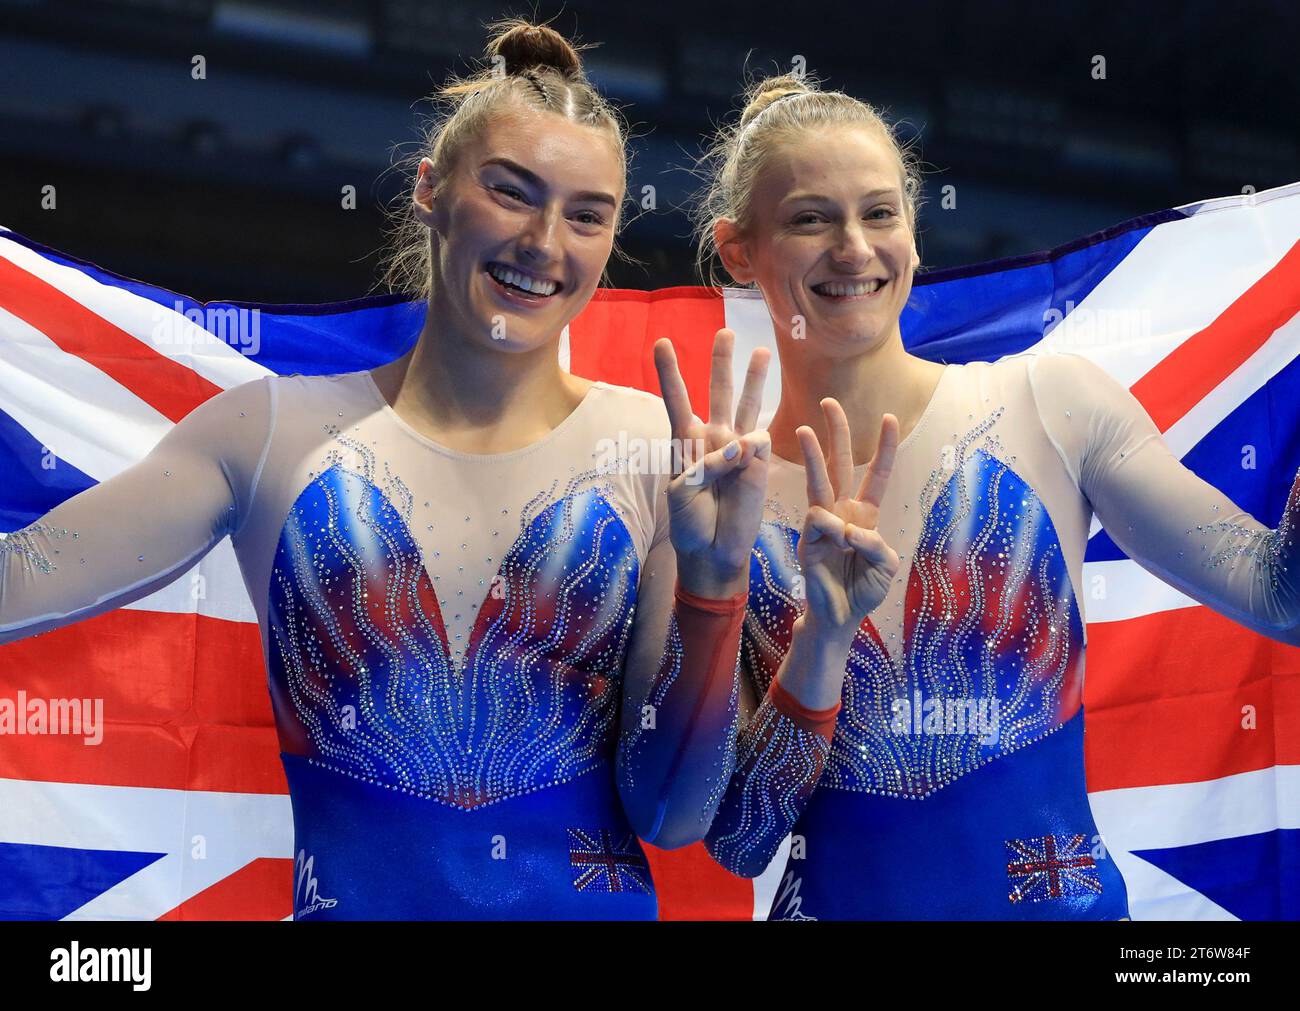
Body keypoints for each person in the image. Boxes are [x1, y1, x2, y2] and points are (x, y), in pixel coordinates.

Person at [0, 20, 773, 921]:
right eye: (511, 193)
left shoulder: (660, 455)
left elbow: (674, 813)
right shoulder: (270, 434)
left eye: (586, 214)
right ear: (431, 190)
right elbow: (22, 577)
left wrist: (715, 592)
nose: (544, 242)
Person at [691, 71, 1300, 919]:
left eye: (879, 212)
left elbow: (1283, 594)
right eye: (808, 219)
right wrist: (823, 638)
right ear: (737, 249)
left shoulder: (1049, 402)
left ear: (911, 226)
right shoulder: (723, 498)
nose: (854, 249)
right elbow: (740, 836)